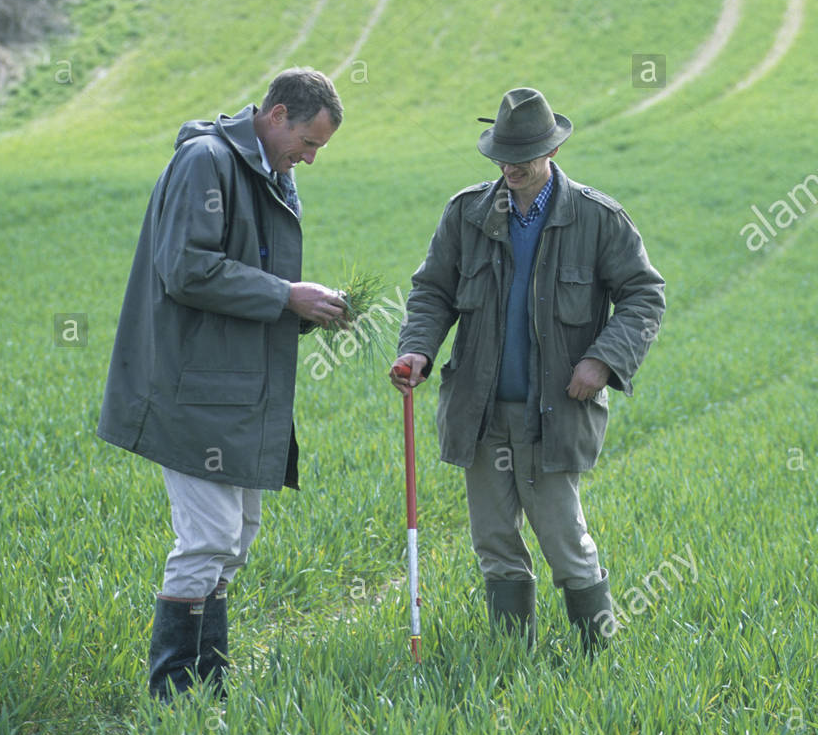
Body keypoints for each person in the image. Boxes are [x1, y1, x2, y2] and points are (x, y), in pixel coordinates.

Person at [97, 67, 348, 700]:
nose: (311, 158)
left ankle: (208, 684)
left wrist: (304, 308)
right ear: (276, 114)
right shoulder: (205, 162)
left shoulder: (269, 173)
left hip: (237, 391)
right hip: (192, 389)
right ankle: (175, 695)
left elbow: (248, 280)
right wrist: (287, 295)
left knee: (235, 539)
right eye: (309, 142)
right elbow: (186, 269)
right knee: (207, 538)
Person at [390, 87, 665, 653]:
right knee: (494, 540)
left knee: (565, 540)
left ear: (552, 152)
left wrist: (602, 360)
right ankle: (512, 657)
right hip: (481, 409)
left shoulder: (596, 218)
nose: (510, 166)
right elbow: (432, 292)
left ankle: (599, 655)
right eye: (502, 154)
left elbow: (644, 295)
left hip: (555, 412)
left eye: (523, 154)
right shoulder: (466, 213)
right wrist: (418, 349)